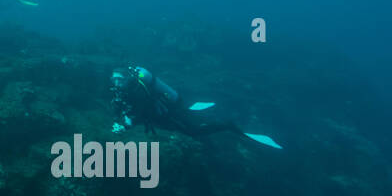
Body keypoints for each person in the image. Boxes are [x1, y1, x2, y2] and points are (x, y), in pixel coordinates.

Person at [109, 66, 282, 149]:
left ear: (127, 79)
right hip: (160, 117)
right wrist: (122, 119)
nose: (116, 83)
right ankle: (197, 112)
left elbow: (141, 110)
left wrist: (125, 124)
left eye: (119, 79)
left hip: (168, 113)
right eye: (114, 80)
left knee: (194, 131)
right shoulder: (124, 92)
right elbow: (128, 109)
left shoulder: (138, 90)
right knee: (191, 127)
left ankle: (229, 125)